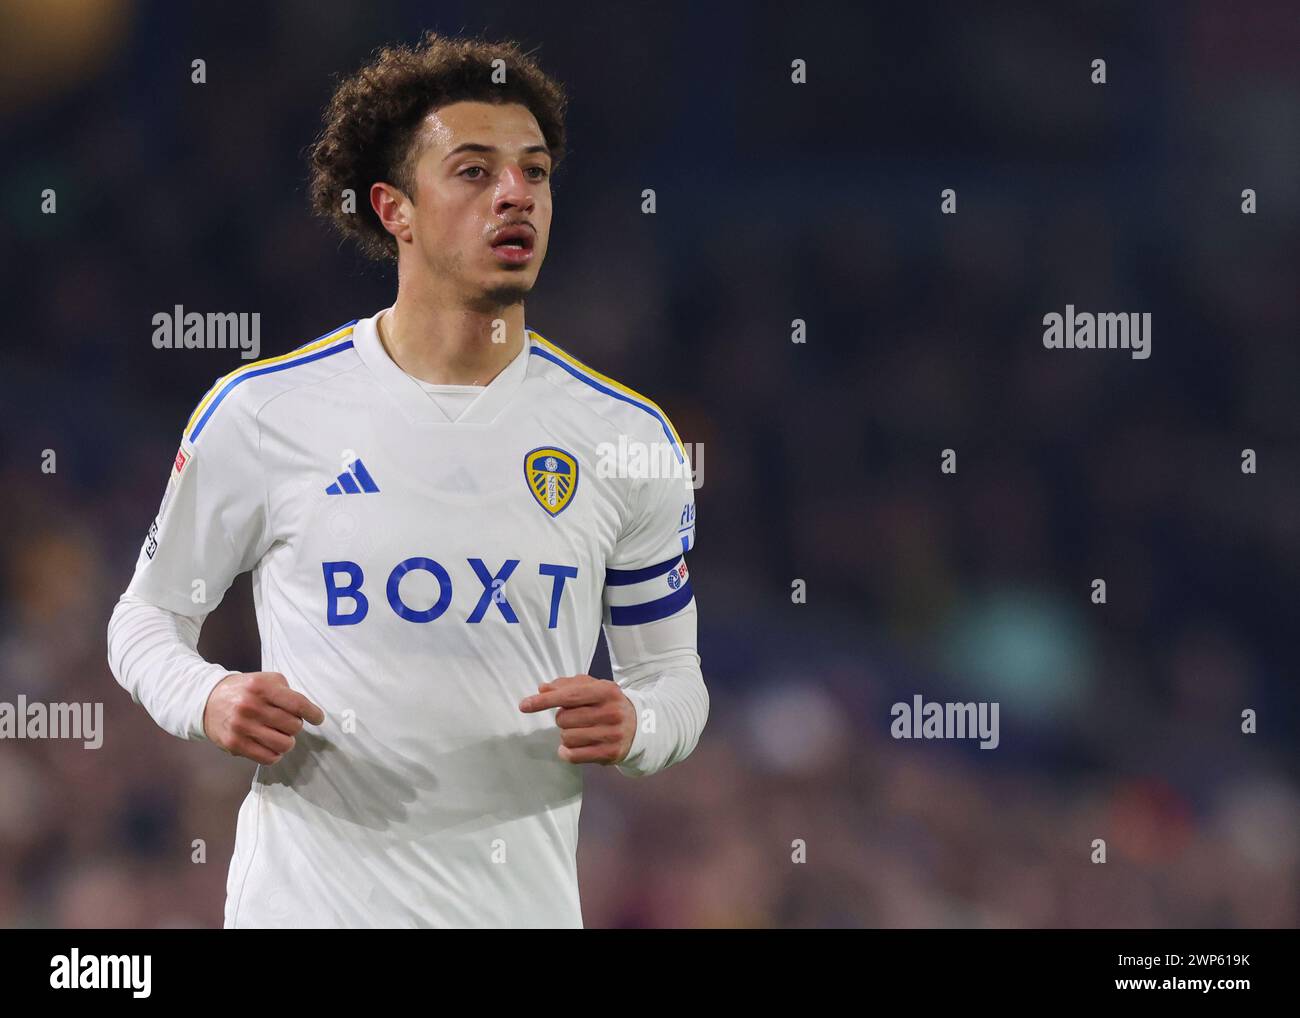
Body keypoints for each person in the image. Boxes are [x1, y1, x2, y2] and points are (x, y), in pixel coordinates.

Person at [107, 31, 707, 928]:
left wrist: (641, 726)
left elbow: (676, 684)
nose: (516, 194)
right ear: (396, 209)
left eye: (535, 172)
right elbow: (145, 618)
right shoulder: (266, 413)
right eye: (473, 172)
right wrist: (208, 695)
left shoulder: (626, 439)